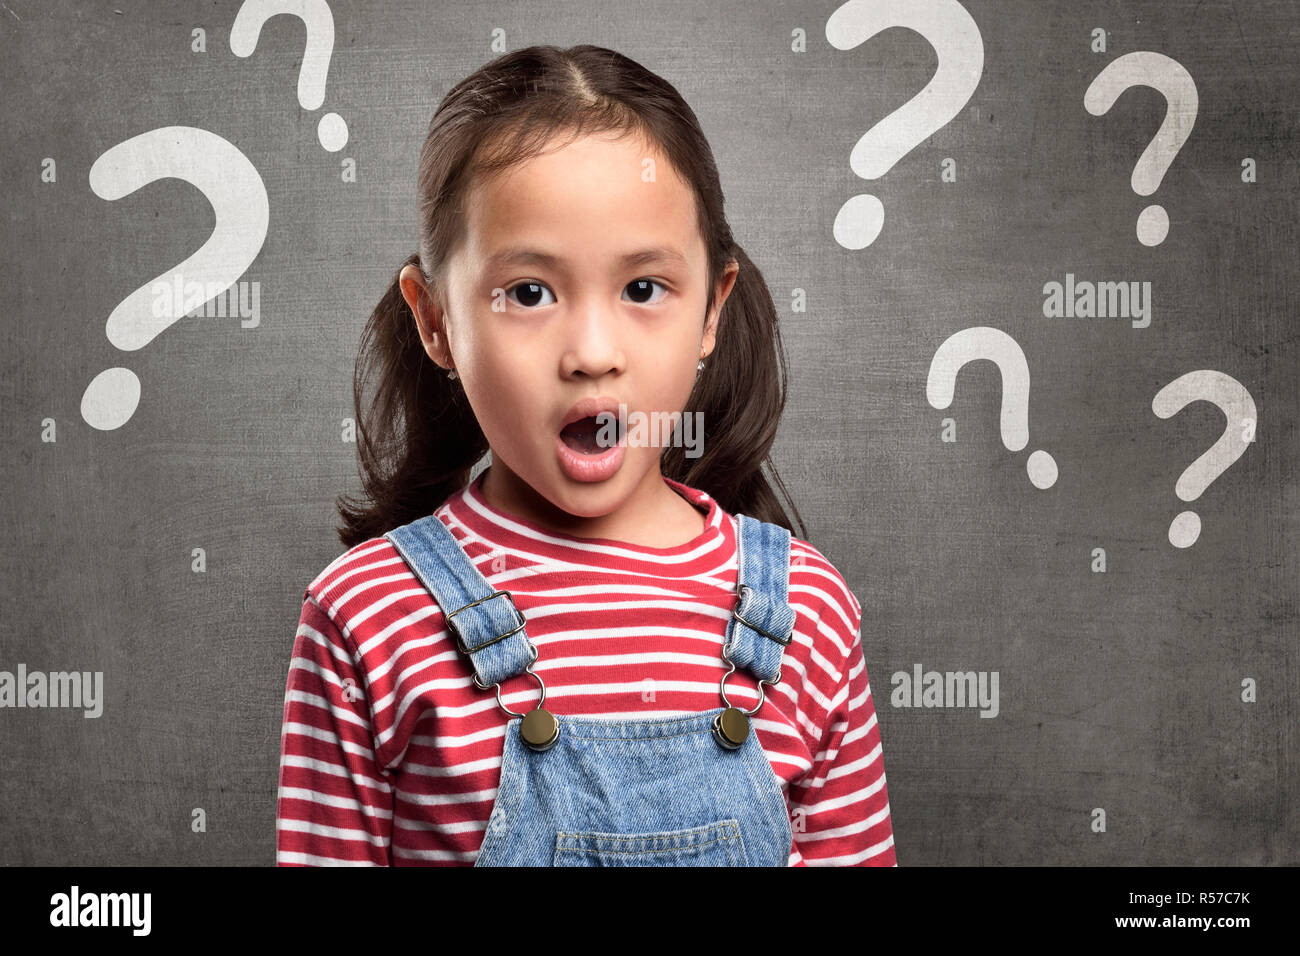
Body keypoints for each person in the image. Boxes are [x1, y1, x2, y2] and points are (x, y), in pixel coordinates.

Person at [275, 43, 896, 866]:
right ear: (436, 322)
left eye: (644, 289)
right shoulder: (366, 619)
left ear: (712, 311)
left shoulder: (810, 614)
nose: (592, 352)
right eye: (529, 293)